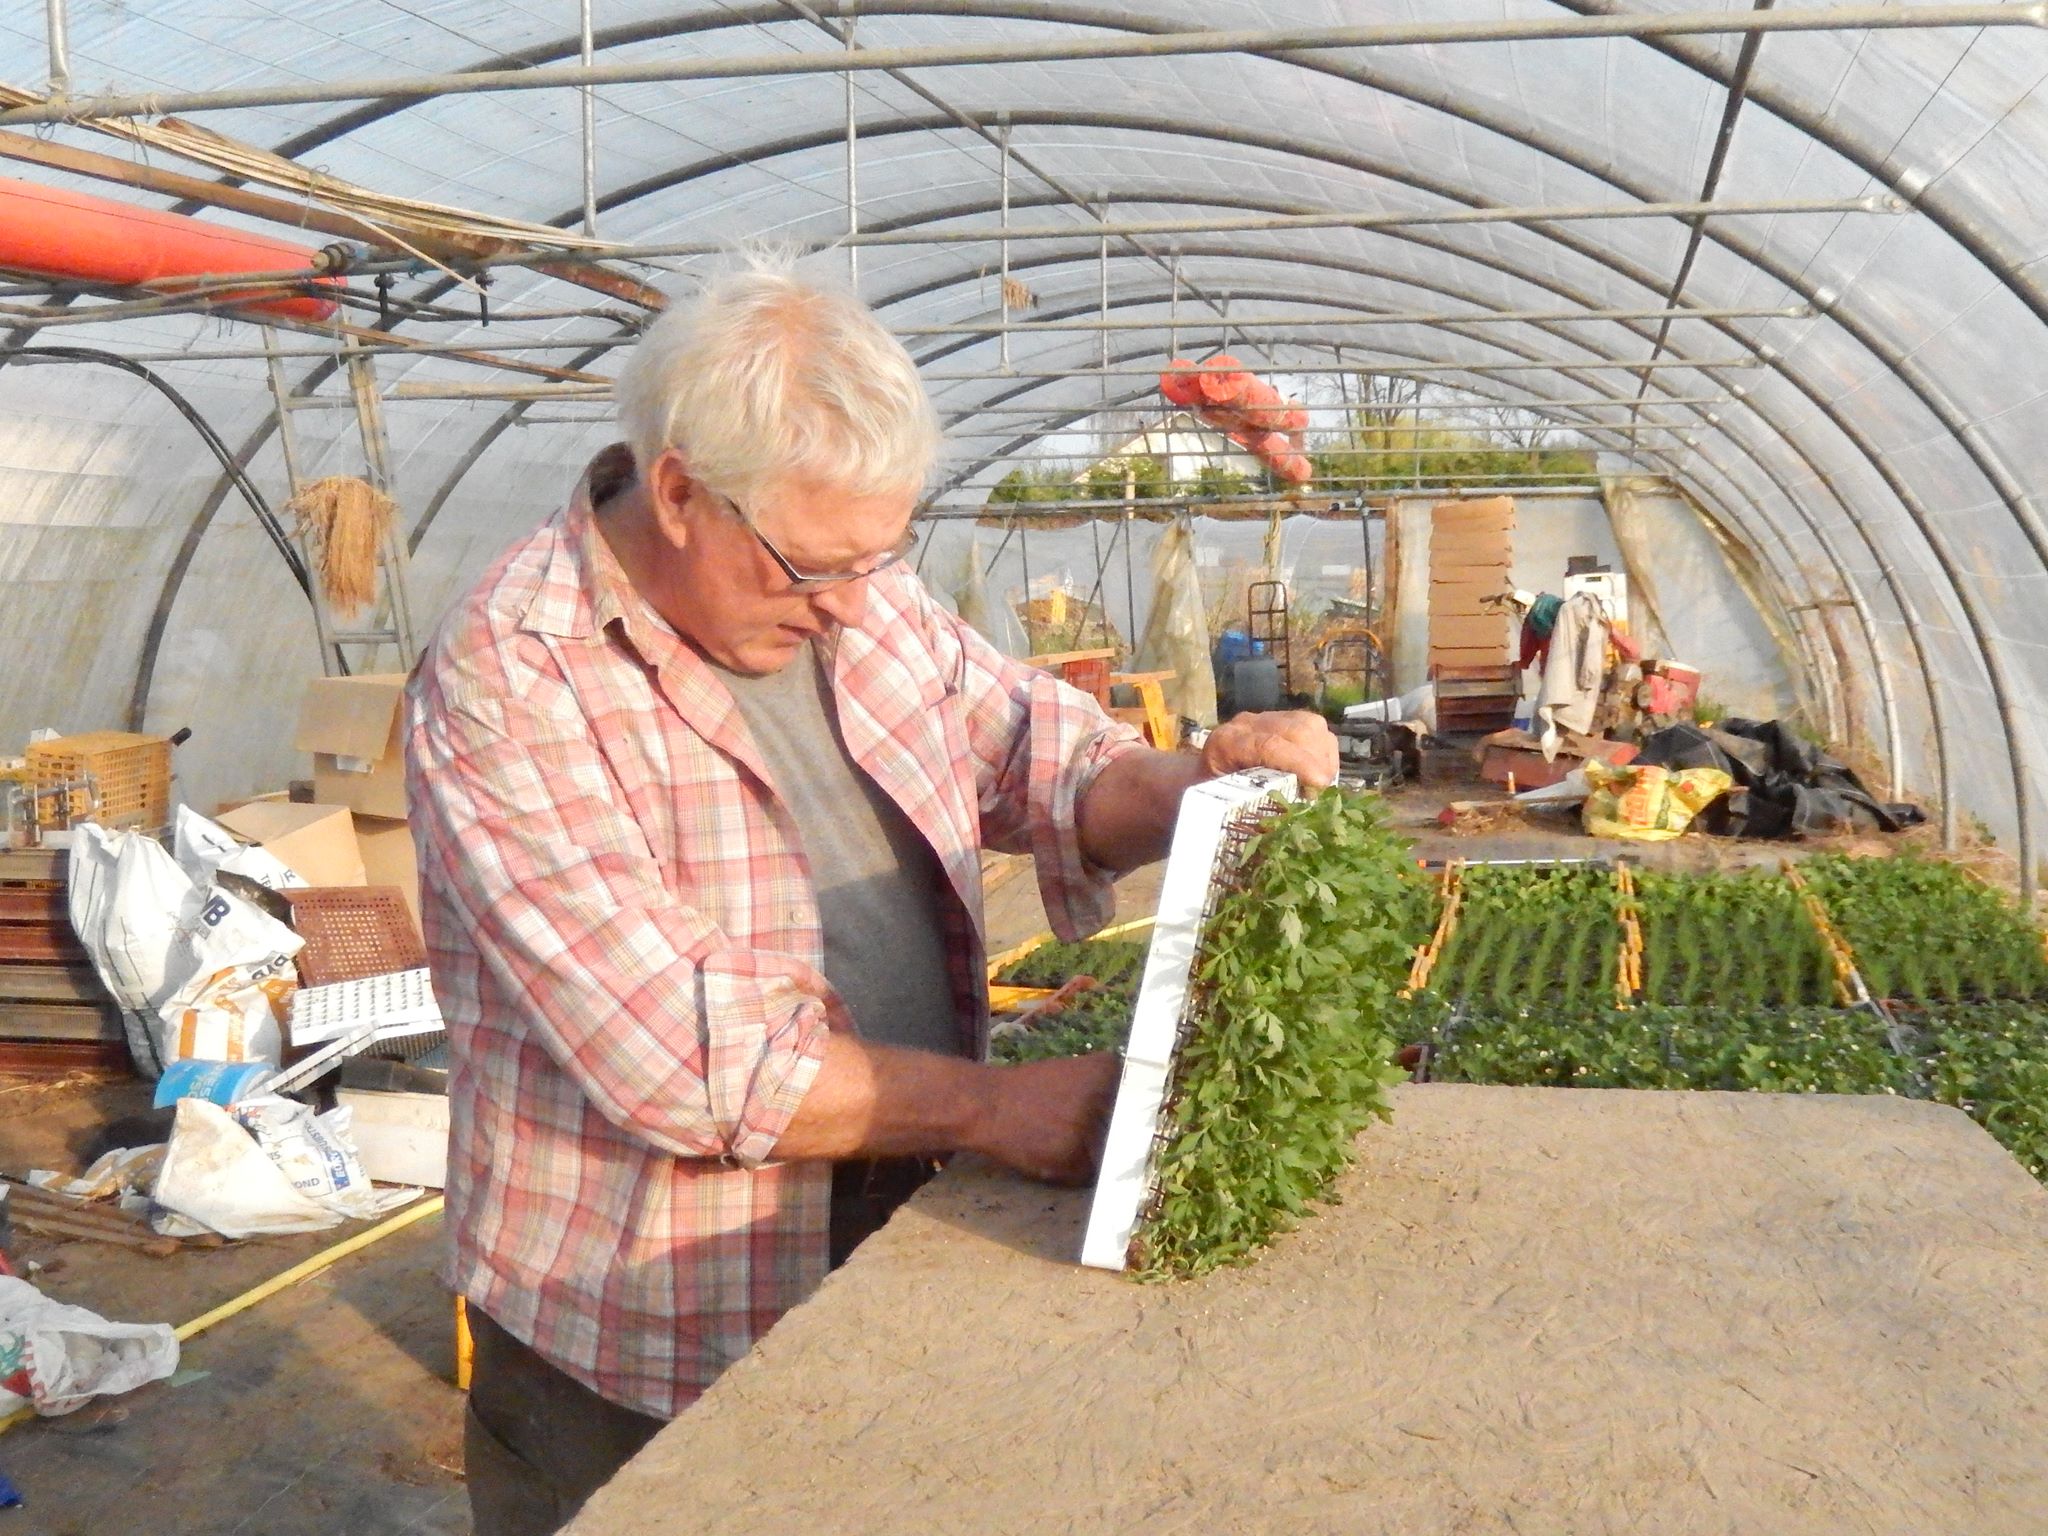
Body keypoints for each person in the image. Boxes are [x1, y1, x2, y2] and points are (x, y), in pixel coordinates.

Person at [403, 252, 1336, 1536]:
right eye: (809, 568)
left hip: (888, 1225)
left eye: (876, 555)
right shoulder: (515, 675)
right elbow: (682, 1057)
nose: (847, 604)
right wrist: (998, 1110)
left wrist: (1200, 782)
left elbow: (1042, 759)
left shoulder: (860, 589)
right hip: (646, 1319)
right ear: (680, 493)